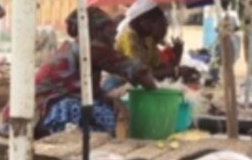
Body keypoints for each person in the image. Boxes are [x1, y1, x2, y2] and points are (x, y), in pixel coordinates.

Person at [12, 7, 154, 138]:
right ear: (98, 31)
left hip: (43, 110)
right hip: (42, 113)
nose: (114, 36)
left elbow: (92, 91)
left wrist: (111, 99)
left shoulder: (77, 48)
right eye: (110, 30)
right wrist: (156, 93)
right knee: (101, 115)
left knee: (106, 108)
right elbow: (138, 71)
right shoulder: (91, 49)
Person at [117, 0, 183, 80]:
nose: (163, 26)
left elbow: (160, 68)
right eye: (158, 23)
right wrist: (176, 70)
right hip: (120, 87)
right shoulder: (129, 38)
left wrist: (177, 57)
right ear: (143, 22)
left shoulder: (148, 39)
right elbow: (140, 74)